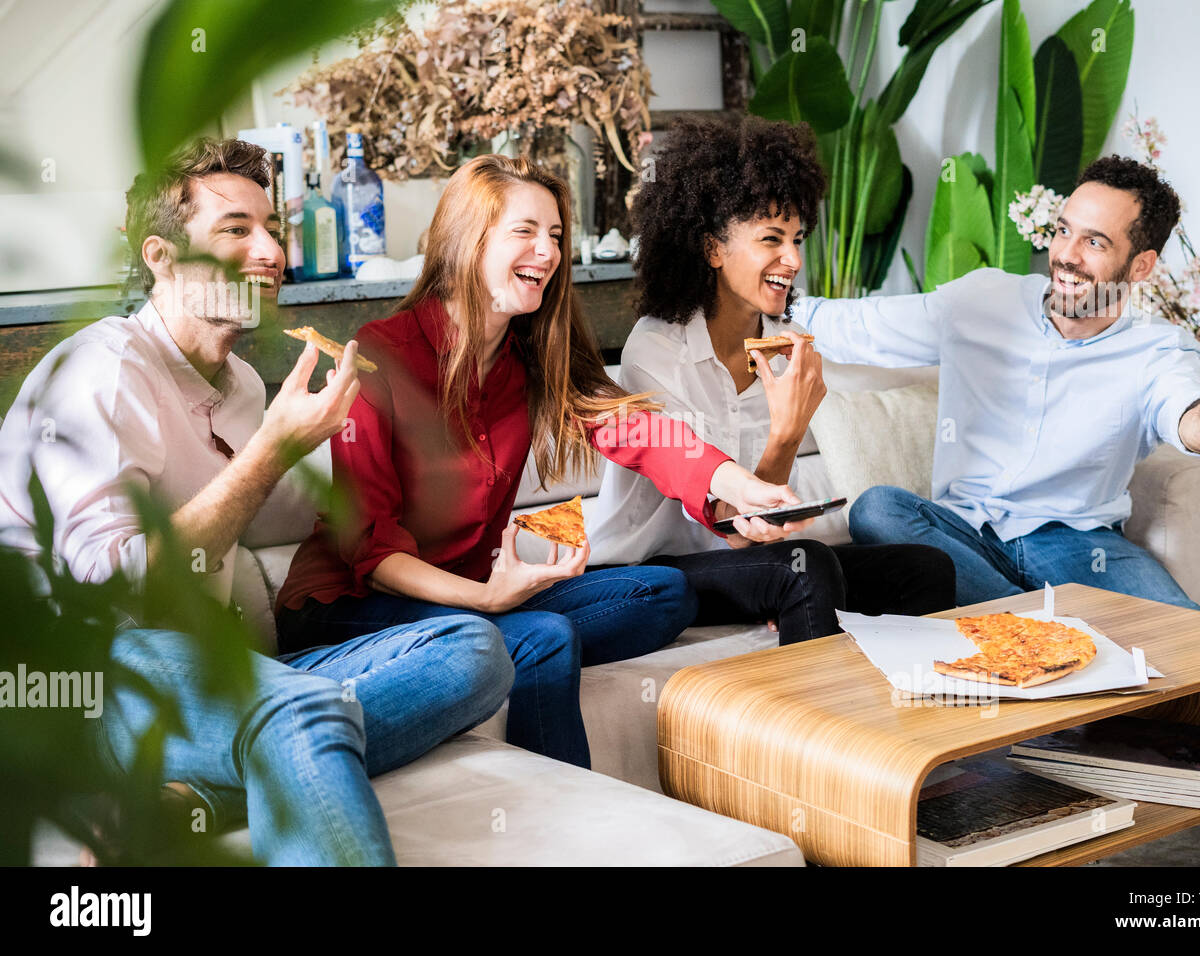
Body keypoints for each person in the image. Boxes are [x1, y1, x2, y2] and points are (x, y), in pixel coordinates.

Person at [0, 138, 515, 865]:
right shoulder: (103, 371)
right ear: (162, 257)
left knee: (476, 652)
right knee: (304, 709)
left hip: (218, 669)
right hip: (88, 674)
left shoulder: (241, 383)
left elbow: (290, 520)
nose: (272, 252)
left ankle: (198, 796)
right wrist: (275, 449)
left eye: (271, 228)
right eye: (236, 231)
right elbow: (111, 584)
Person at [795, 154, 1200, 865]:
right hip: (960, 535)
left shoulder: (1157, 351)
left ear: (1141, 265)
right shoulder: (982, 301)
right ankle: (1070, 651)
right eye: (1064, 231)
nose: (1066, 254)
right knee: (879, 509)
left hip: (1081, 546)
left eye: (1095, 242)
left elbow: (1185, 413)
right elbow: (862, 325)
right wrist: (767, 295)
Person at [274, 153, 811, 769]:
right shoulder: (378, 355)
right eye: (524, 231)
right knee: (545, 638)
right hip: (348, 605)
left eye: (555, 235)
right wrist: (486, 602)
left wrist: (736, 485)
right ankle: (565, 798)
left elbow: (633, 428)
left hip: (470, 595)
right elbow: (370, 552)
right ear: (466, 241)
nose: (548, 251)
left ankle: (500, 651)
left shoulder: (531, 354)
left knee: (666, 594)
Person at [586, 116, 955, 642]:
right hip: (654, 571)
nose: (794, 259)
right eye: (771, 239)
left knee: (925, 568)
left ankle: (898, 715)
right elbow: (730, 521)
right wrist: (787, 429)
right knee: (806, 566)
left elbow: (756, 533)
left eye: (798, 238)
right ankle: (809, 724)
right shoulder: (659, 346)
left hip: (746, 560)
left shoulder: (787, 343)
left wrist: (786, 440)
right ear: (714, 248)